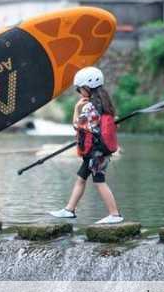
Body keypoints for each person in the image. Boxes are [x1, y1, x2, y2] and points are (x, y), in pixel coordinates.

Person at [49, 67, 124, 224]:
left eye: (79, 89)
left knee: (99, 182)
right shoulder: (105, 105)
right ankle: (69, 210)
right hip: (98, 151)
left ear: (87, 87)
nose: (79, 92)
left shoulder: (90, 107)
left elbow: (77, 126)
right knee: (80, 179)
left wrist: (77, 108)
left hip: (96, 153)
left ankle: (115, 215)